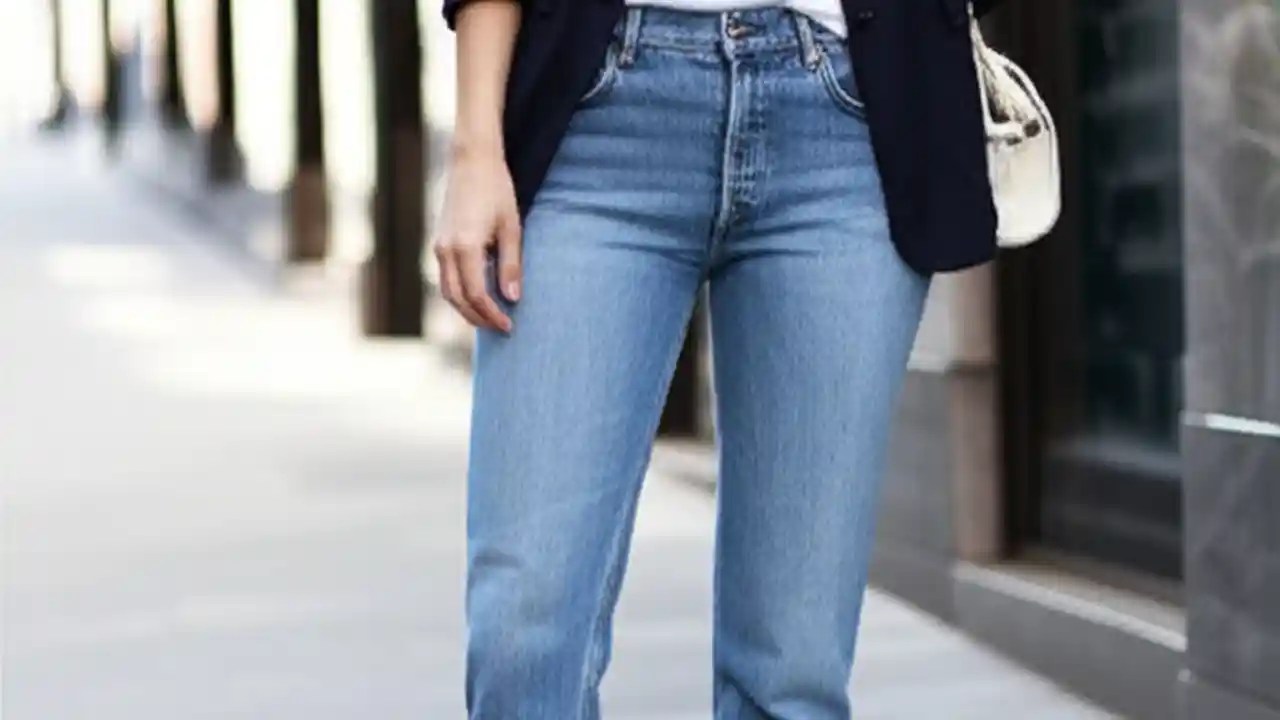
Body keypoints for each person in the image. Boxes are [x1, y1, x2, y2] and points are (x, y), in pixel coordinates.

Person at [434, 0, 1005, 717]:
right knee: (523, 634)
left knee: (791, 673)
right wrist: (474, 148)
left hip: (842, 124)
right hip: (596, 120)